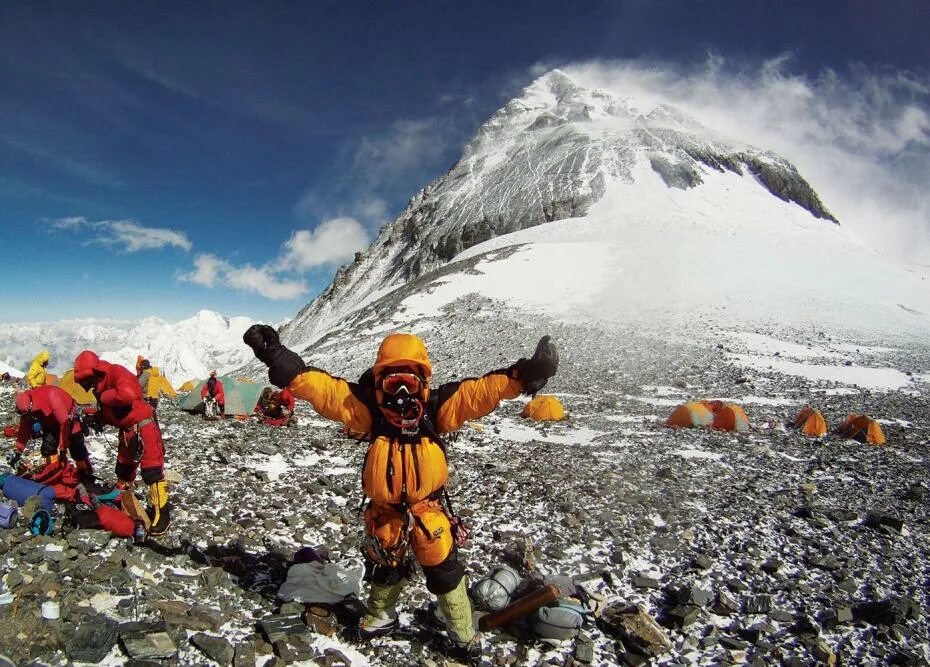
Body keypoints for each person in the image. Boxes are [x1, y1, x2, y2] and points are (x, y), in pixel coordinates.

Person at [244, 325, 558, 656]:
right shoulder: (367, 409)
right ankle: (381, 616)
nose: (402, 392)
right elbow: (322, 389)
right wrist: (276, 356)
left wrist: (525, 374)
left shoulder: (437, 407)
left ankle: (462, 634)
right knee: (385, 564)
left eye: (410, 381)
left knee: (444, 570)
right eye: (393, 382)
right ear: (379, 381)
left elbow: (481, 392)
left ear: (424, 380)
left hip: (428, 512)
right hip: (386, 513)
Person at [72, 350, 171, 536]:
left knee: (152, 470)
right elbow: (115, 411)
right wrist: (98, 418)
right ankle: (124, 499)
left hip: (143, 426)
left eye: (86, 381)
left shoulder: (115, 373)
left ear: (93, 373)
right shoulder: (101, 384)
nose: (86, 386)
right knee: (124, 469)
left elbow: (127, 395)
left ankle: (162, 512)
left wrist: (104, 397)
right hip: (127, 431)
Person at [9, 385, 95, 483]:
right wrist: (18, 451)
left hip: (69, 418)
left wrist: (62, 449)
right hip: (50, 421)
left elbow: (64, 423)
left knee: (77, 447)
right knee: (48, 448)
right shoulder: (26, 407)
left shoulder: (52, 396)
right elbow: (24, 429)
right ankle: (54, 472)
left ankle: (85, 473)